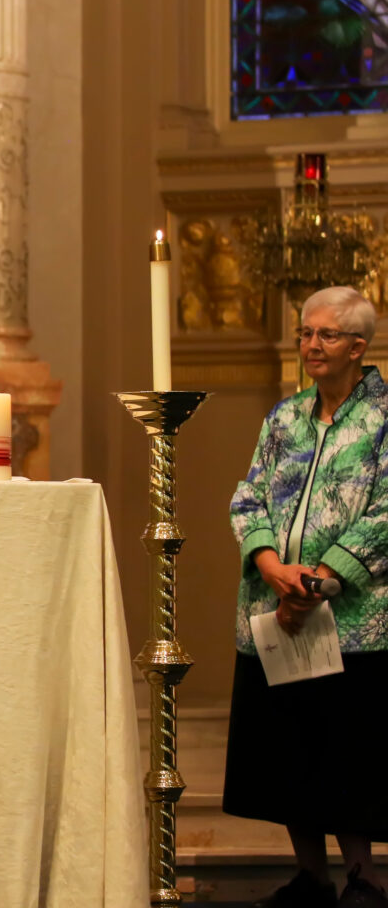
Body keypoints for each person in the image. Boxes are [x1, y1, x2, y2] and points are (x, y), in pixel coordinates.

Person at [227, 285, 388, 908]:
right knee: (288, 748)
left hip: (352, 618)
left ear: (358, 346)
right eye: (305, 333)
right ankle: (311, 877)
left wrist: (317, 581)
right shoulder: (284, 417)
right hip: (276, 609)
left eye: (325, 335)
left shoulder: (382, 419)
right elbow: (248, 497)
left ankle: (363, 877)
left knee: (346, 751)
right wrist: (272, 568)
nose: (311, 345)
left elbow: (384, 513)